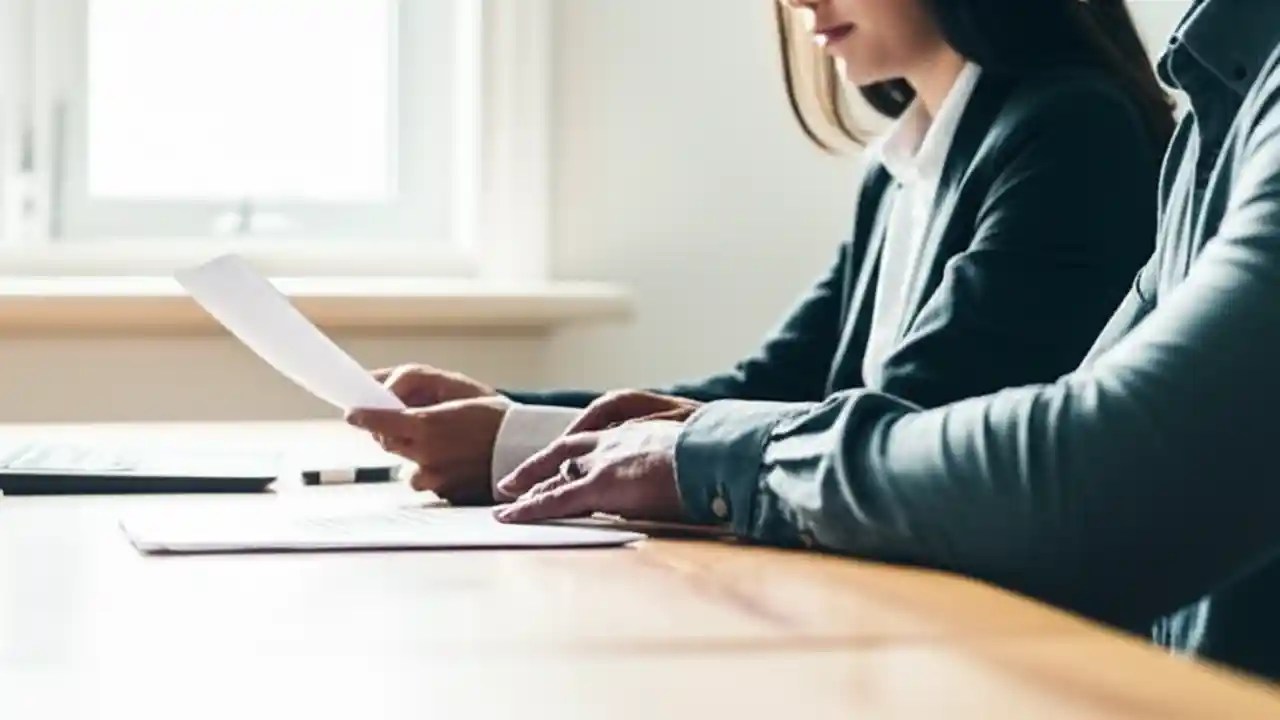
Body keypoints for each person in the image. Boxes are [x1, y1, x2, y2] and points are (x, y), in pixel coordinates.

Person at [484, 0, 1280, 682]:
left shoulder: (1079, 124)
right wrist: (510, 423)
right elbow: (788, 383)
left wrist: (704, 456)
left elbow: (1076, 459)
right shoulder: (1215, 102)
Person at [348, 0, 1171, 506]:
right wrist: (498, 408)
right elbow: (775, 391)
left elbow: (913, 424)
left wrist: (517, 444)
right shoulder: (903, 166)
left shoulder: (1069, 129)